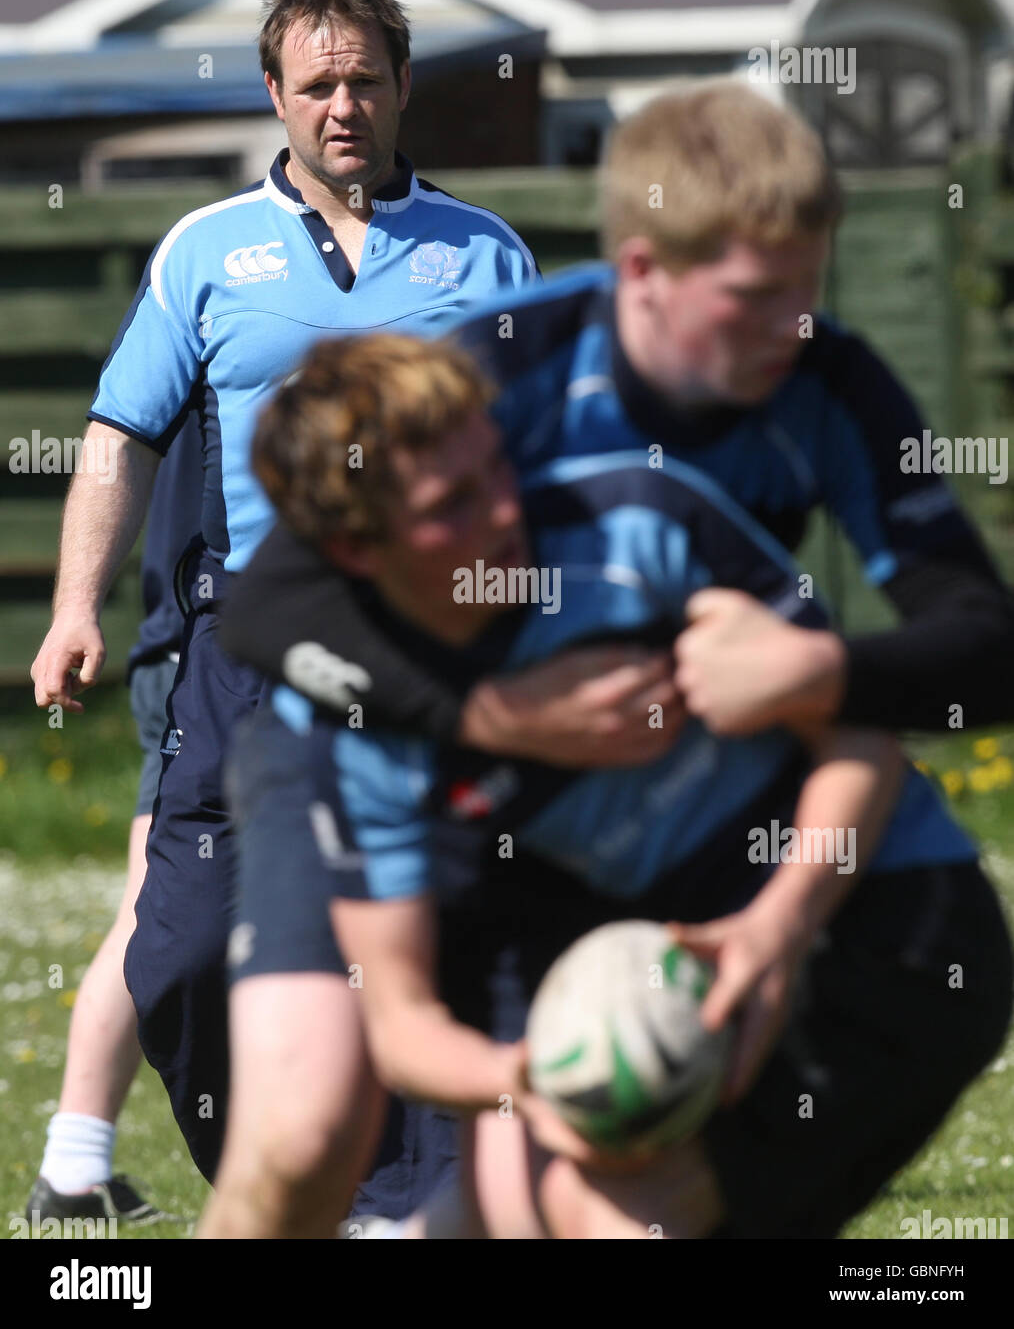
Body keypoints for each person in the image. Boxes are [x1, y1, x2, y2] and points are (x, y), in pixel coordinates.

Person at [219, 331, 1011, 1237]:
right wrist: (524, 1076)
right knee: (534, 1207)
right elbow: (402, 1026)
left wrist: (776, 923)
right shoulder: (363, 737)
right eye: (454, 503)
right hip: (666, 957)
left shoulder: (639, 523)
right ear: (356, 553)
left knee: (596, 1215)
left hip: (880, 927)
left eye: (496, 469)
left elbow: (858, 733)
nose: (504, 512)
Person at [28, 0, 538, 1208]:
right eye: (318, 85)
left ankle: (392, 1205)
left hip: (428, 650)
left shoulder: (487, 255)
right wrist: (74, 606)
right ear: (274, 94)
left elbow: (541, 460)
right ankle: (269, 1170)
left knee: (429, 935)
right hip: (245, 648)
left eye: (366, 80)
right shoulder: (206, 252)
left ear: (406, 86)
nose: (344, 106)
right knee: (185, 944)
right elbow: (117, 436)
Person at [224, 80, 1014, 752]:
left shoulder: (834, 382)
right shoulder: (500, 367)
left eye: (810, 285)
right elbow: (268, 610)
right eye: (756, 297)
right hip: (490, 770)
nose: (797, 324)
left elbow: (988, 645)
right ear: (643, 269)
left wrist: (816, 671)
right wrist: (493, 717)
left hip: (690, 771)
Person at [25, 411, 202, 1226]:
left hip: (207, 646)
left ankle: (73, 1169)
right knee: (154, 912)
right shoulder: (199, 284)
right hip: (202, 651)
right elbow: (115, 443)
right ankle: (71, 1168)